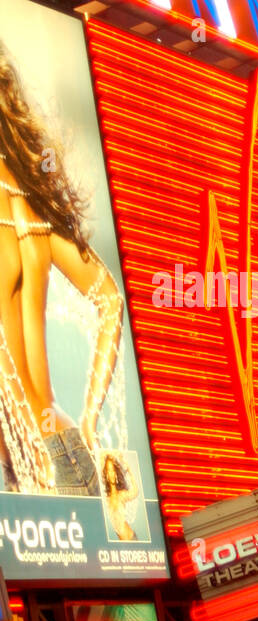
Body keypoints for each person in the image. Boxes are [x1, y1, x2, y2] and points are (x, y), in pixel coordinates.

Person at [0, 42, 126, 496]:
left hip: (32, 466)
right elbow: (110, 299)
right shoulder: (26, 188)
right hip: (70, 450)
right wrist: (90, 420)